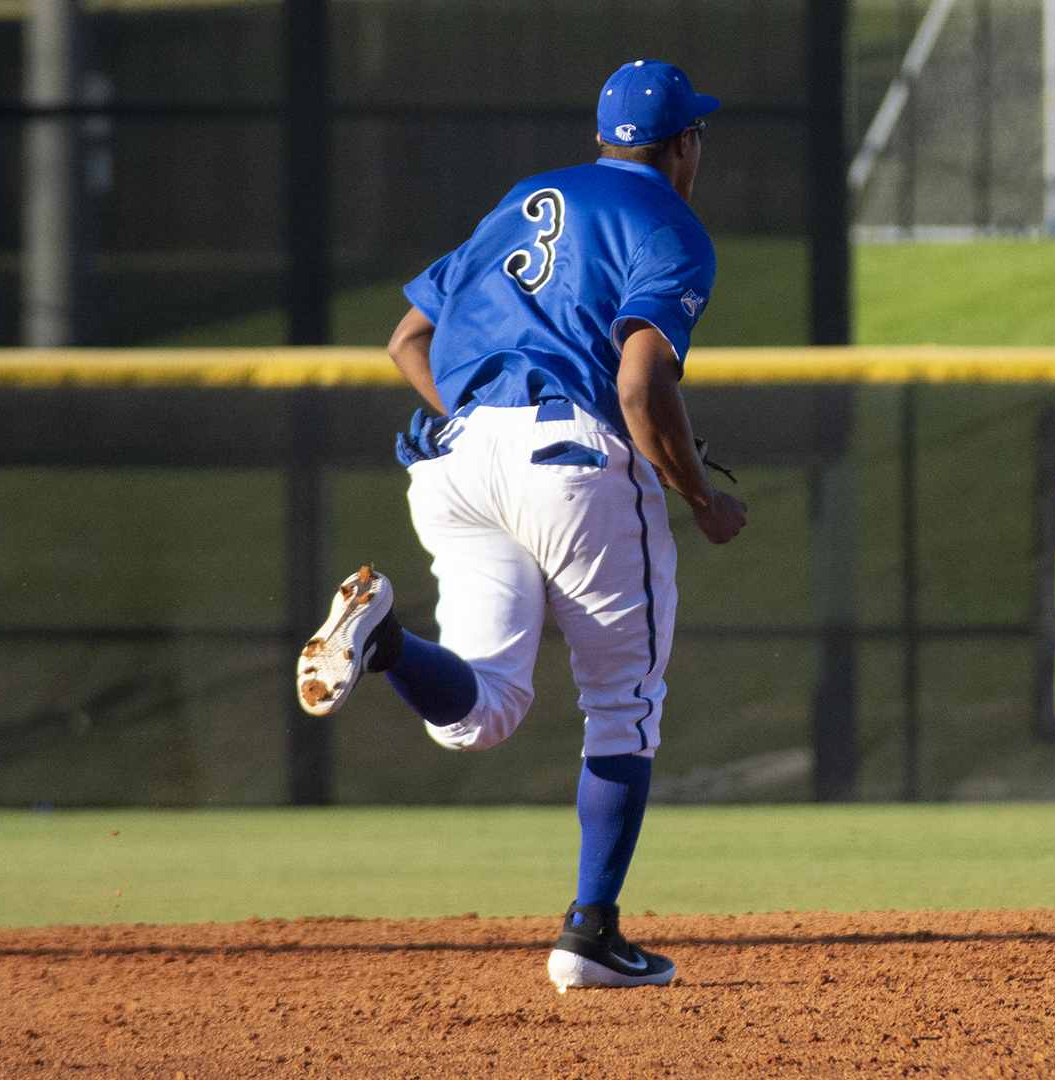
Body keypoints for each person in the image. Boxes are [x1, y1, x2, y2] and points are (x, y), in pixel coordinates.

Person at [294, 59, 747, 991]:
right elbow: (637, 383)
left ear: (604, 140)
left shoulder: (525, 198)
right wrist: (701, 500)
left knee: (480, 716)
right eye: (696, 136)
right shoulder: (670, 223)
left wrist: (475, 422)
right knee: (622, 708)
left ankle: (383, 645)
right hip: (574, 461)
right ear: (683, 147)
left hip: (454, 462)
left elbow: (406, 340)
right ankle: (590, 935)